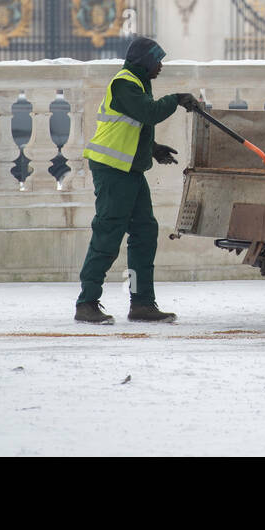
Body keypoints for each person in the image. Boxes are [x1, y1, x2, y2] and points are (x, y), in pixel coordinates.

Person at [75, 36, 200, 324]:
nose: (160, 67)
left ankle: (142, 302)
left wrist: (153, 150)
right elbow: (148, 112)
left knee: (144, 233)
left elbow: (135, 123)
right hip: (112, 171)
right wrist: (178, 99)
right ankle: (86, 302)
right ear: (144, 61)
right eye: (157, 61)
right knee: (108, 234)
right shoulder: (124, 83)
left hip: (129, 169)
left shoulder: (138, 82)